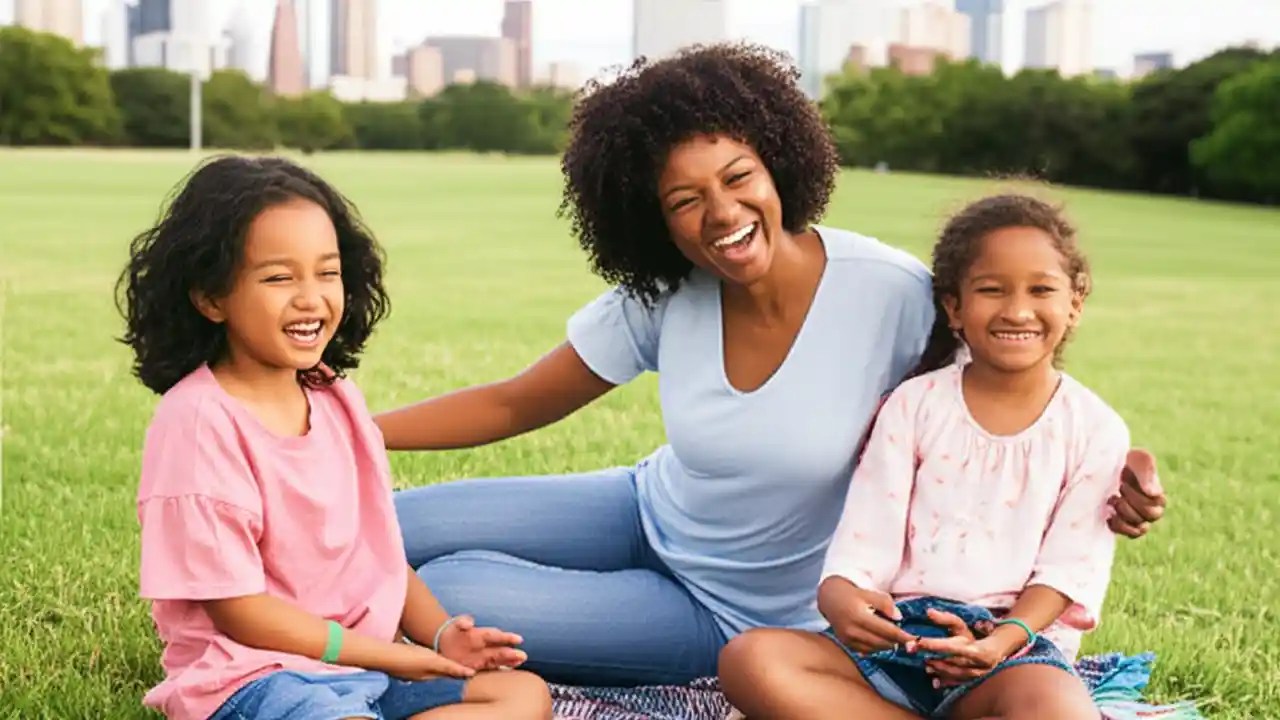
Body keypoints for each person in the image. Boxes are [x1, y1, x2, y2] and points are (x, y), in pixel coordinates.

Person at [374, 43, 1168, 688]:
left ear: (777, 165)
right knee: (389, 528)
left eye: (737, 178)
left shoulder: (890, 294)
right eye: (684, 200)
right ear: (654, 220)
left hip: (734, 611)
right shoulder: (667, 294)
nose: (721, 214)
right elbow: (516, 403)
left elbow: (1015, 387)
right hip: (643, 506)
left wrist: (1119, 478)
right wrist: (351, 435)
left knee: (454, 591)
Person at [117, 155, 553, 720]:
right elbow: (239, 612)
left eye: (327, 273)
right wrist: (393, 657)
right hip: (254, 676)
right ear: (210, 297)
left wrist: (443, 635)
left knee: (523, 696)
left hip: (359, 670)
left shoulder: (334, 397)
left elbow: (382, 553)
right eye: (278, 277)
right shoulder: (199, 422)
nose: (310, 298)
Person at [718, 193, 1130, 719]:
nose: (1017, 310)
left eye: (1041, 290)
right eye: (991, 290)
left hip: (1010, 649)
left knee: (1059, 712)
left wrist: (999, 642)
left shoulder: (1095, 429)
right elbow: (866, 535)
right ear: (954, 306)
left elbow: (1068, 569)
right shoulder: (915, 406)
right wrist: (840, 597)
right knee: (750, 660)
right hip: (895, 642)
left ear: (1075, 301)